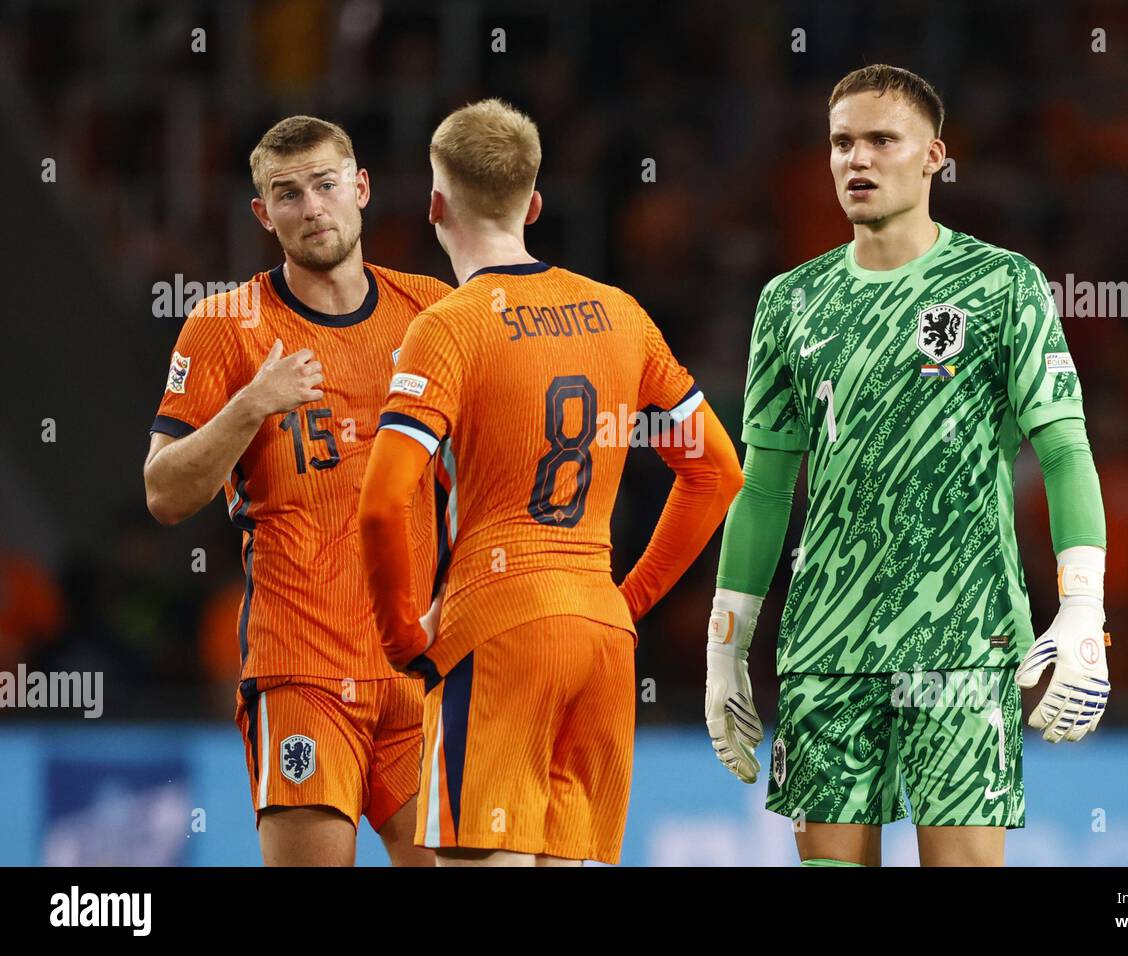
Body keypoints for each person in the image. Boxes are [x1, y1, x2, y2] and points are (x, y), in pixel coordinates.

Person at [705, 65, 1111, 867]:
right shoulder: (790, 302)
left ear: (933, 157)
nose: (857, 159)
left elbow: (1063, 449)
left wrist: (1084, 615)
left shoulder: (1001, 285)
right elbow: (764, 486)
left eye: (882, 140)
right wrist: (727, 646)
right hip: (826, 639)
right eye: (842, 142)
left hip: (963, 635)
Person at [358, 99, 743, 866]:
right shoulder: (620, 314)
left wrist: (403, 635)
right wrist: (624, 601)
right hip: (600, 638)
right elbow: (718, 472)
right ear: (533, 205)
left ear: (436, 204)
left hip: (496, 628)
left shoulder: (449, 326)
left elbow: (381, 503)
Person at [143, 116, 451, 866]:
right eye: (288, 193)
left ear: (361, 188)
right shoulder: (226, 327)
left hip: (418, 666)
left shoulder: (433, 312)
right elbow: (164, 492)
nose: (311, 207)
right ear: (263, 213)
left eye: (326, 184)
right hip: (301, 667)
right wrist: (250, 404)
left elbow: (479, 478)